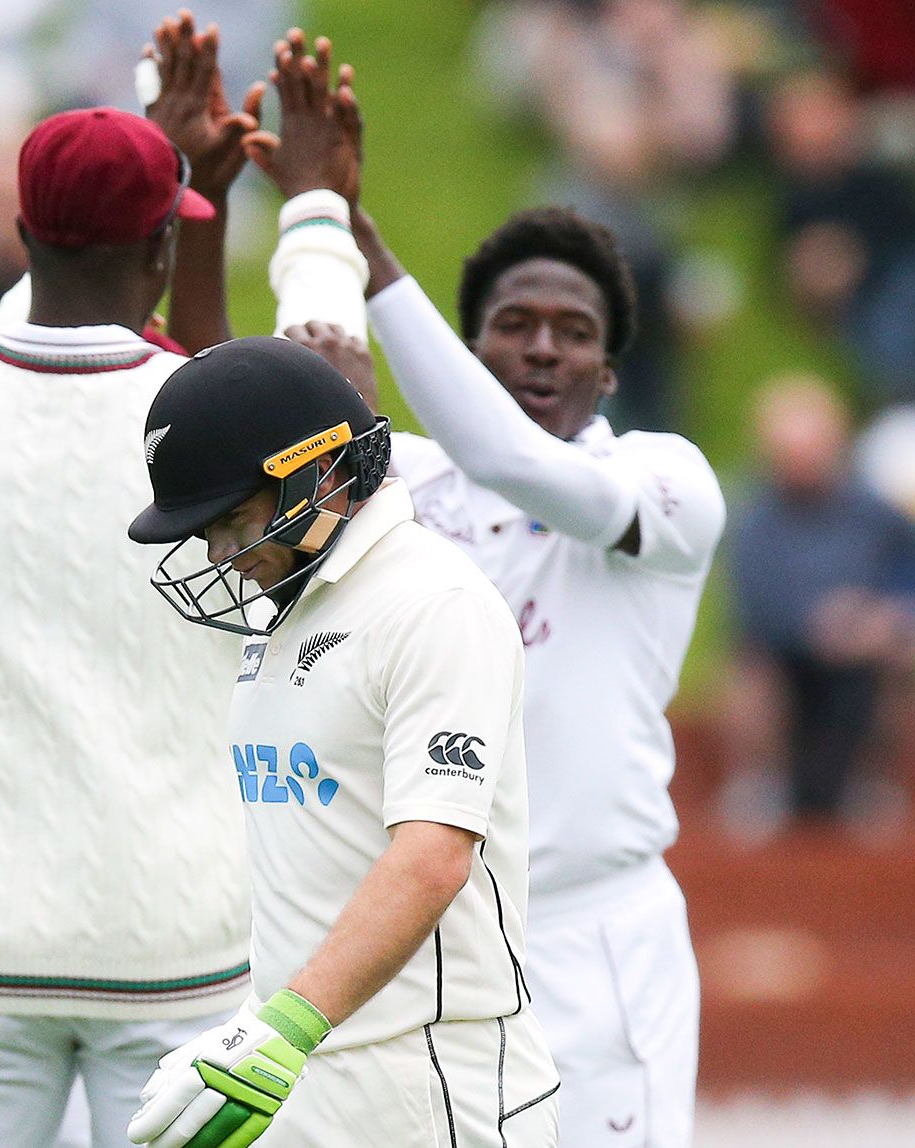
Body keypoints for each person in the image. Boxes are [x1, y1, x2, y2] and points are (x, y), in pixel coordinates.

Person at [0, 15, 368, 1146]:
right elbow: (222, 391)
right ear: (165, 244)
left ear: (18, 234)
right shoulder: (210, 421)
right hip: (181, 948)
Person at [339, 193, 726, 1147]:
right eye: (514, 325)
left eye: (574, 331)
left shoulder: (666, 484)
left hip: (593, 939)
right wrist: (220, 212)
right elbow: (249, 462)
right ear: (467, 354)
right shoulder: (407, 487)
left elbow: (505, 454)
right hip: (430, 936)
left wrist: (361, 240)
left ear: (608, 371)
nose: (544, 348)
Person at [124, 336, 558, 1148]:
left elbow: (433, 856)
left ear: (317, 475)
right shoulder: (288, 600)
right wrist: (256, 1029)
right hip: (304, 1066)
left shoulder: (434, 604)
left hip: (434, 1086)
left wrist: (283, 1026)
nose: (219, 554)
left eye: (231, 522)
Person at [727, 376, 915, 822]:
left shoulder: (877, 514)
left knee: (905, 657)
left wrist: (885, 621)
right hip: (783, 659)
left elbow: (906, 580)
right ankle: (763, 784)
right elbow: (752, 607)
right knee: (747, 675)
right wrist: (818, 626)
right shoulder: (753, 519)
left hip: (867, 657)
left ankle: (871, 783)